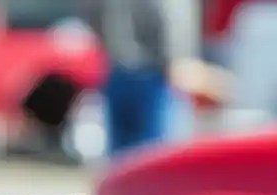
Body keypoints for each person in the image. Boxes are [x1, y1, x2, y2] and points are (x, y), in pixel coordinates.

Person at [83, 0, 220, 156]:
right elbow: (171, 21)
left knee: (128, 153)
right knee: (158, 151)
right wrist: (175, 61)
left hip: (123, 69)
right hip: (156, 74)